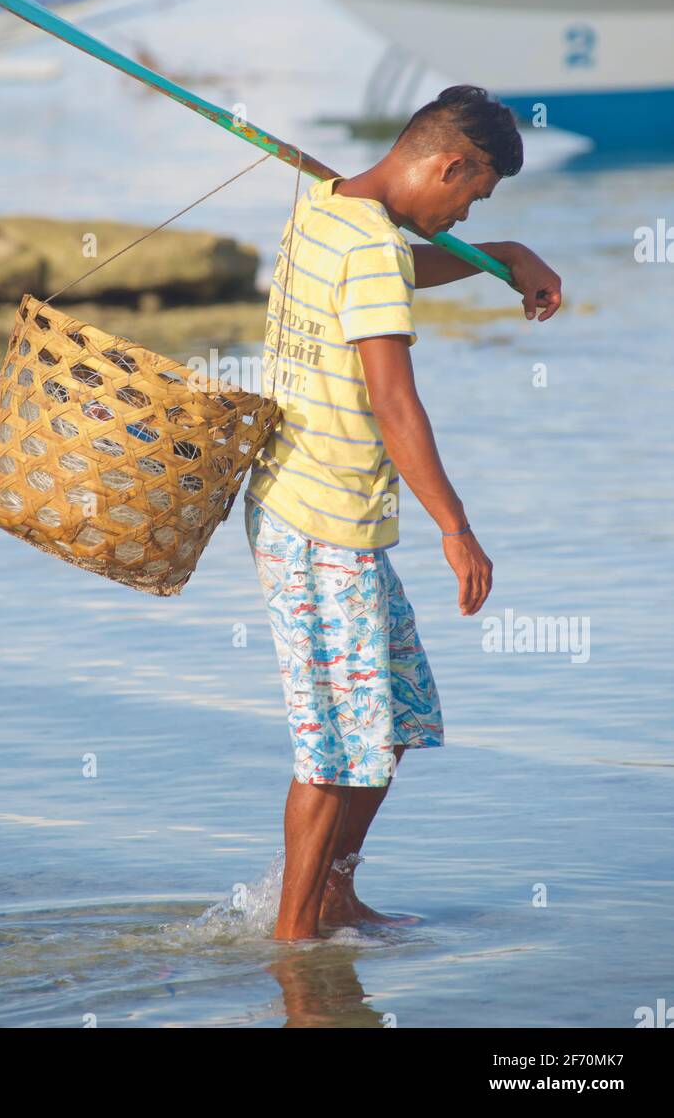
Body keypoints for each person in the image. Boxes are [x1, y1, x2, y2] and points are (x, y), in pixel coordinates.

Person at [244, 84, 562, 942]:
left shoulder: (327, 207)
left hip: (329, 518)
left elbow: (400, 264)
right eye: (473, 197)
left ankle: (335, 896)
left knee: (390, 720)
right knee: (335, 747)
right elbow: (393, 399)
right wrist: (456, 528)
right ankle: (293, 941)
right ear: (450, 163)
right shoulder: (365, 242)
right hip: (316, 523)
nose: (462, 214)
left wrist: (502, 252)